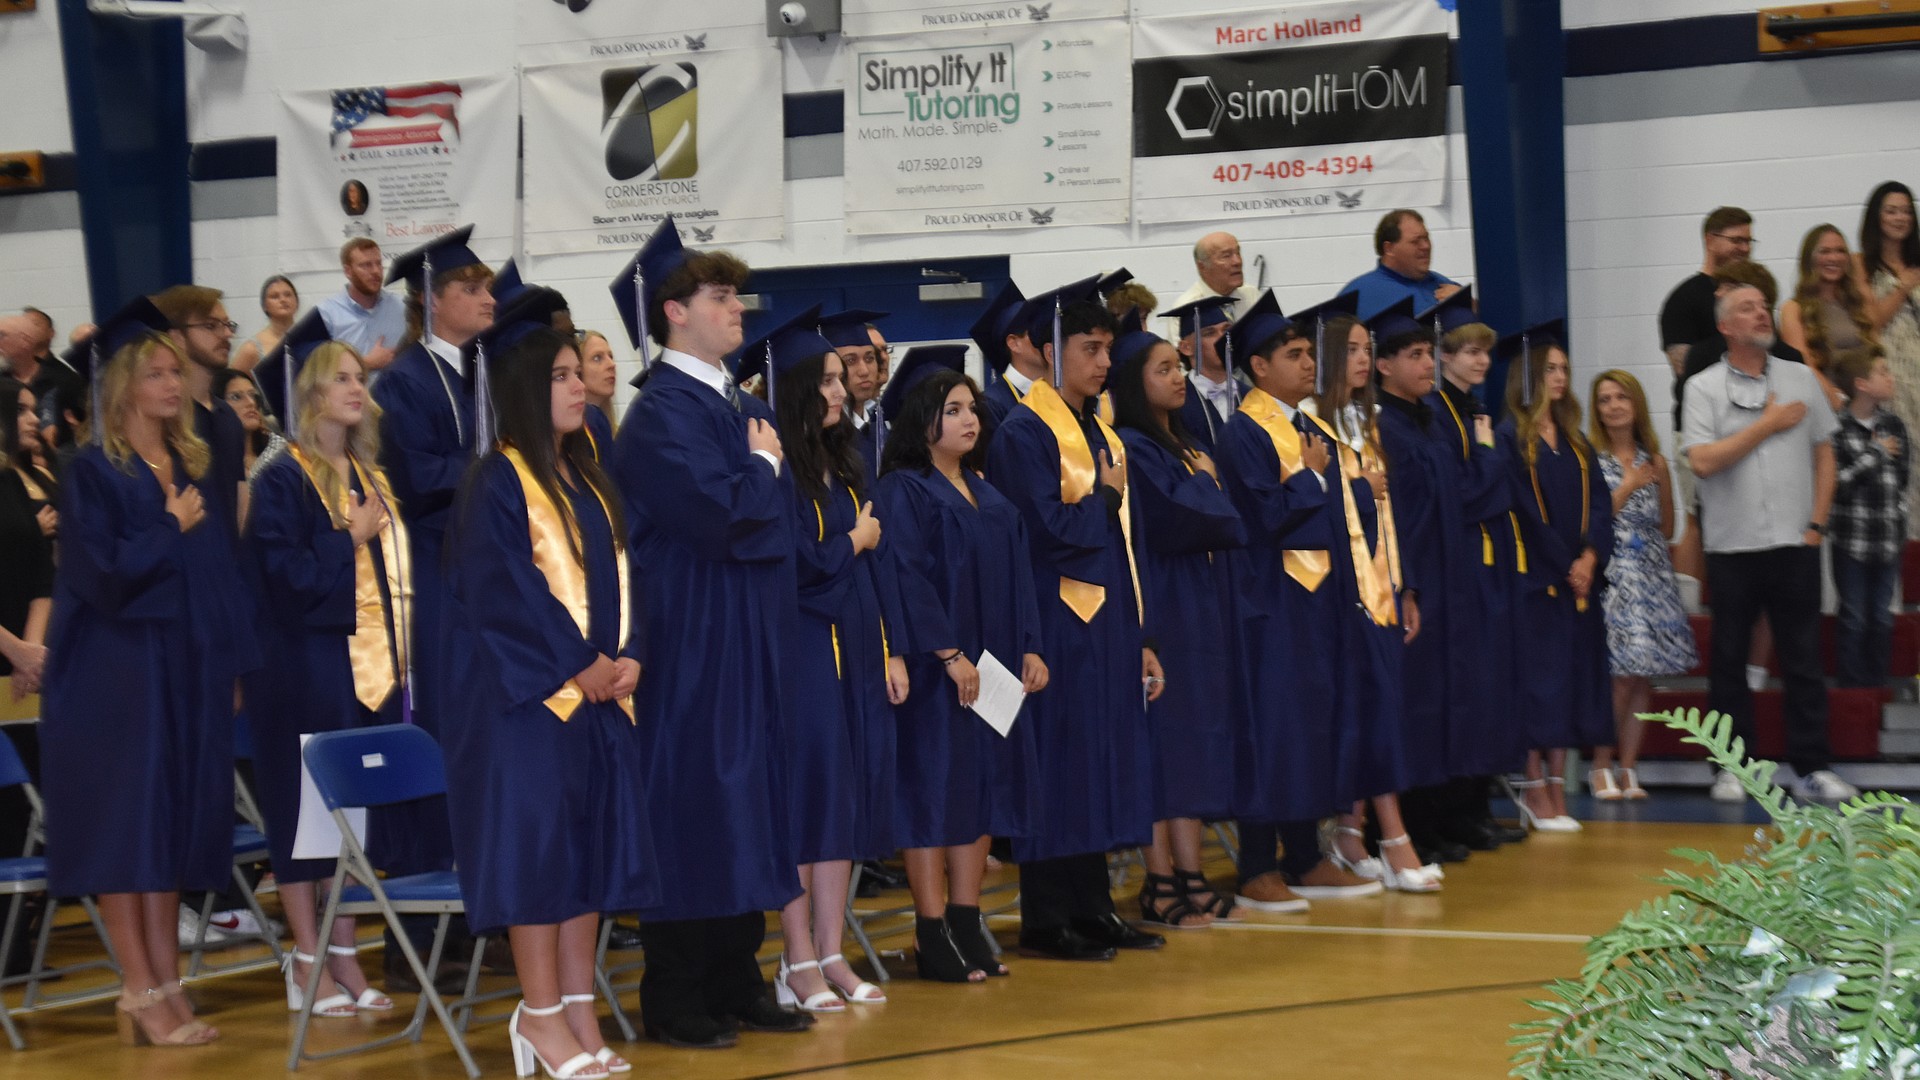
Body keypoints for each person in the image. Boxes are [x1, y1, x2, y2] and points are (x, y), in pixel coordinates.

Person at [445, 287, 658, 1078]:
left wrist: (632, 654)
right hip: (530, 708)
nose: (576, 387)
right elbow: (506, 594)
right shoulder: (495, 482)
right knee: (541, 860)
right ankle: (538, 1013)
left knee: (589, 856)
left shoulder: (591, 480)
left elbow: (629, 580)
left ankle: (577, 1006)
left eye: (578, 373)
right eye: (561, 376)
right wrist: (578, 663)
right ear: (525, 388)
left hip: (600, 699)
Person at [608, 219, 806, 1049]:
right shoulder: (659, 414)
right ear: (673, 311)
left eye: (736, 296)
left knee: (748, 802)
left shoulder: (744, 406)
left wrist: (756, 485)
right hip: (691, 640)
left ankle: (737, 975)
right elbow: (721, 520)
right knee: (694, 803)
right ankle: (676, 989)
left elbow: (777, 528)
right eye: (720, 296)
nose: (737, 309)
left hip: (751, 632)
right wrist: (758, 471)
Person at [40, 302, 256, 1047]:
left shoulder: (191, 463)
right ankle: (139, 986)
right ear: (124, 384)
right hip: (113, 676)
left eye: (175, 371)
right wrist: (169, 526)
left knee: (171, 828)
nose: (172, 383)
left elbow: (220, 574)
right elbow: (100, 578)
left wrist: (232, 660)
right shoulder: (92, 472)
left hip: (187, 668)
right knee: (126, 830)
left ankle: (168, 983)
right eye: (157, 372)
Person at [732, 306, 903, 1013]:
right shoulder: (779, 471)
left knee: (839, 804)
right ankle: (796, 958)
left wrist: (888, 648)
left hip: (851, 647)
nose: (841, 390)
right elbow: (796, 565)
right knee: (805, 806)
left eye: (841, 378)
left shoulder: (844, 462)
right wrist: (854, 543)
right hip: (802, 651)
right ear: (799, 386)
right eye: (829, 379)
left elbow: (868, 561)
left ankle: (832, 951)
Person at [986, 287, 1164, 962]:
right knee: (1058, 762)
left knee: (1100, 762)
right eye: (1090, 349)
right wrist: (1107, 497)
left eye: (1108, 349)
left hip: (1107, 622)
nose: (1103, 362)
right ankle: (1046, 918)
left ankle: (1094, 907)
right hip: (1053, 620)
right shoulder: (1023, 432)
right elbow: (1044, 531)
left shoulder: (1100, 430)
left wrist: (1143, 636)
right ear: (1049, 353)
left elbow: (1128, 545)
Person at [244, 319, 401, 1019]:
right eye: (340, 378)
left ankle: (346, 954)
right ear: (310, 393)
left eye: (360, 378)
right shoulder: (281, 477)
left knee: (347, 818)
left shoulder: (371, 476)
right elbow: (285, 578)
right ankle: (306, 959)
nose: (355, 388)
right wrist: (349, 539)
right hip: (299, 663)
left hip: (367, 666)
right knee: (303, 810)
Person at [875, 346, 1046, 980]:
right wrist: (947, 652)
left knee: (984, 788)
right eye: (952, 410)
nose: (970, 419)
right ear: (922, 421)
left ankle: (967, 920)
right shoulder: (903, 490)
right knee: (933, 792)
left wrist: (1029, 645)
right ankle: (929, 929)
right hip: (937, 671)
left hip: (993, 668)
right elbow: (905, 576)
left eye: (972, 408)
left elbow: (1022, 578)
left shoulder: (987, 493)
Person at [1216, 295, 1382, 909]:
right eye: (1294, 354)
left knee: (1311, 730)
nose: (1310, 362)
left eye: (1310, 352)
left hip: (1318, 603)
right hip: (1272, 607)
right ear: (1259, 367)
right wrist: (1311, 478)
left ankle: (1307, 857)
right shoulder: (1244, 433)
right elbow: (1262, 520)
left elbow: (1336, 517)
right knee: (1274, 732)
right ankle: (1258, 867)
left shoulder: (1306, 427)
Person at [368, 226, 494, 987]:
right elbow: (413, 478)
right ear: (431, 299)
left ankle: (485, 917)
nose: (487, 299)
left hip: (483, 588)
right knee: (434, 747)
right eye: (471, 288)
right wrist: (492, 466)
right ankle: (415, 941)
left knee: (481, 754)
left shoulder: (485, 372)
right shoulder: (404, 382)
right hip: (432, 589)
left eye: (487, 288)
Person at [1680, 283, 1856, 803]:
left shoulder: (1800, 377)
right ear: (1725, 327)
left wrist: (1816, 525)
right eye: (1747, 308)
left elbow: (1825, 453)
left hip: (1795, 542)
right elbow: (1702, 461)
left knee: (1803, 659)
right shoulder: (1702, 387)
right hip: (1731, 547)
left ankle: (1812, 766)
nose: (1761, 313)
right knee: (1729, 660)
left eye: (1763, 306)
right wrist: (1769, 424)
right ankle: (1731, 767)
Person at [1108, 322, 1249, 925]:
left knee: (1191, 745)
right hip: (1162, 605)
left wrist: (1203, 480)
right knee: (1163, 746)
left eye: (1178, 367)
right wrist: (1205, 481)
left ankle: (1191, 872)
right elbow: (1182, 521)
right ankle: (1159, 880)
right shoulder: (1134, 447)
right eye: (1163, 369)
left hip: (1196, 603)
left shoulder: (1181, 443)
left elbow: (1221, 517)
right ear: (1134, 383)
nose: (1178, 378)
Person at [1421, 292, 1529, 851]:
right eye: (1469, 351)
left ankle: (1479, 805)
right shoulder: (1437, 414)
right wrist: (1488, 456)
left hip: (1492, 562)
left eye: (1485, 351)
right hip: (1463, 564)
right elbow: (1465, 495)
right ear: (1444, 356)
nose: (1482, 360)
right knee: (1468, 688)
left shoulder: (1474, 410)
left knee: (1492, 688)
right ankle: (1458, 811)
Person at [1498, 324, 1613, 830]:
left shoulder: (1577, 443)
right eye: (1550, 369)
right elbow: (1523, 512)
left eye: (1564, 369)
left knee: (1570, 685)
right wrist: (1564, 563)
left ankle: (1558, 787)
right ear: (1528, 377)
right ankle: (1533, 788)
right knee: (1538, 687)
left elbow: (1601, 506)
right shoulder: (1511, 440)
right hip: (1537, 584)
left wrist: (1590, 557)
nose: (1560, 377)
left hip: (1578, 585)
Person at [1587, 370, 1697, 800]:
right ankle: (1600, 765)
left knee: (1641, 678)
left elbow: (1668, 524)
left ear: (1636, 404)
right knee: (1619, 676)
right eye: (1605, 399)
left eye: (1622, 397)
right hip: (1613, 574)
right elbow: (1592, 519)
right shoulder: (1591, 460)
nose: (1614, 406)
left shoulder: (1657, 461)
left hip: (1651, 572)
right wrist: (1629, 485)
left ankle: (1629, 768)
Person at [1828, 345, 1910, 689]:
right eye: (1882, 372)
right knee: (1854, 616)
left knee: (1881, 617)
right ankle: (1851, 687)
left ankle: (1877, 687)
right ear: (1861, 384)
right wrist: (1874, 454)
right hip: (1852, 541)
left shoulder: (1893, 424)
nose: (1890, 378)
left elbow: (1901, 476)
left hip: (1887, 539)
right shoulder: (1837, 427)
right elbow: (1837, 485)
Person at [150, 285, 250, 541]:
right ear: (177, 337)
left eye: (227, 325)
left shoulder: (227, 415)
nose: (226, 334)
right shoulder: (165, 419)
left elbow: (239, 497)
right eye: (211, 326)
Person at [1857, 182, 1920, 537]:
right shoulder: (1862, 265)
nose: (1900, 218)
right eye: (1892, 210)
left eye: (1906, 211)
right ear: (1876, 217)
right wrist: (1904, 286)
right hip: (1892, 380)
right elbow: (1872, 322)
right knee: (1903, 464)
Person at [0, 376, 53, 712]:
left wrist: (31, 651)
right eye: (21, 410)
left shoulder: (11, 478)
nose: (35, 420)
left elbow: (42, 572)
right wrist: (13, 648)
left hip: (27, 667)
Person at [1661, 207, 1755, 382]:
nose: (1745, 248)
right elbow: (1685, 371)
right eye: (1736, 240)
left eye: (1749, 241)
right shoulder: (1684, 298)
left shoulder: (1753, 293)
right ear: (1710, 240)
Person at [1780, 225, 1876, 379]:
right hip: (1824, 391)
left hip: (1868, 390)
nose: (1834, 258)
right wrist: (1834, 393)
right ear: (1809, 259)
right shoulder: (1793, 309)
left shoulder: (1858, 302)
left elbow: (1877, 353)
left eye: (1840, 251)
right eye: (1825, 251)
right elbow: (1802, 367)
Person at [1341, 210, 1462, 318]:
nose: (1426, 246)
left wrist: (1465, 301)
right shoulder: (1359, 294)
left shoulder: (1442, 283)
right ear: (1389, 249)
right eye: (1415, 241)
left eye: (1426, 238)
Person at [821, 309, 890, 485]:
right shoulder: (826, 440)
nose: (864, 371)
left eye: (869, 358)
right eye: (850, 361)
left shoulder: (882, 434)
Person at [316, 238, 405, 373]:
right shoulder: (327, 314)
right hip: (352, 387)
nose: (376, 271)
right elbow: (318, 371)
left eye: (378, 263)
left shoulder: (402, 307)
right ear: (348, 271)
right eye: (366, 265)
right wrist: (365, 363)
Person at [1163, 295, 1237, 454]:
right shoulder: (1174, 404)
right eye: (1209, 333)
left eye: (1226, 330)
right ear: (1186, 348)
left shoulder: (1251, 396)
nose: (1223, 339)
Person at [1163, 232, 1258, 341]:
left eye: (1238, 253)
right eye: (1226, 256)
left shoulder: (1251, 295)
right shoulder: (1185, 309)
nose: (1237, 261)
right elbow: (1180, 351)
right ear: (1202, 267)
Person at [233, 276, 300, 373]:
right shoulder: (251, 349)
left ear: (296, 301)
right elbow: (232, 380)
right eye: (274, 296)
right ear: (265, 306)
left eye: (288, 295)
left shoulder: (313, 339)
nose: (283, 300)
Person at [211, 368, 273, 471]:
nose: (251, 402)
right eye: (236, 397)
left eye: (253, 395)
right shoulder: (209, 462)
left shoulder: (277, 452)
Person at [577, 329, 619, 453]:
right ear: (577, 369)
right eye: (597, 358)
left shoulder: (617, 435)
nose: (611, 364)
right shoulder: (573, 438)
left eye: (610, 356)